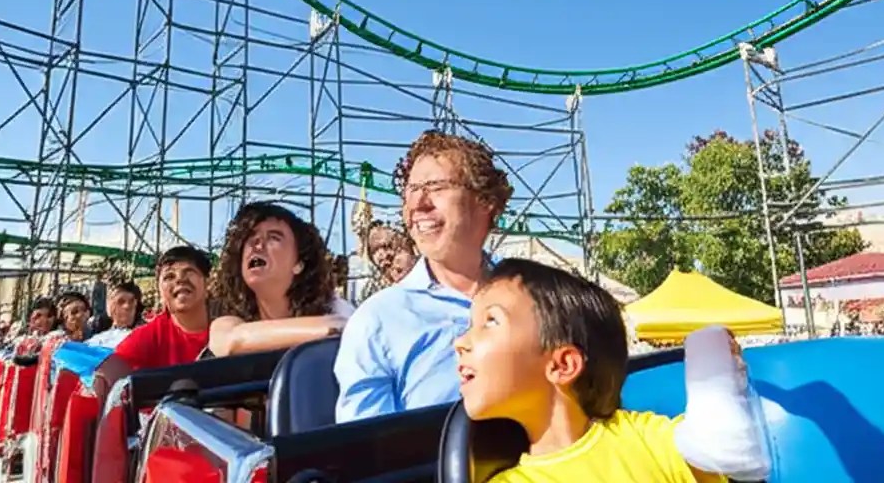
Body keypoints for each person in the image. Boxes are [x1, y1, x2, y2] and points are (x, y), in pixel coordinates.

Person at [455, 258, 770, 482]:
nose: (460, 342)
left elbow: (726, 450)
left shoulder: (644, 438)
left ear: (562, 365)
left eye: (490, 321)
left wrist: (713, 352)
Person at [334, 129, 513, 422]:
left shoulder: (533, 296)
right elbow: (371, 449)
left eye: (436, 186)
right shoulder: (378, 320)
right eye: (411, 190)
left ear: (484, 201)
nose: (418, 203)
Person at [207, 201, 355, 357]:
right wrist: (330, 330)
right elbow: (231, 341)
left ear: (299, 263)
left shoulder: (335, 308)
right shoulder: (229, 321)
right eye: (251, 237)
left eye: (274, 237)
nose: (257, 243)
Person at [92, 246, 213, 398]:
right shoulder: (152, 334)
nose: (180, 280)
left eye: (189, 272)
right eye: (169, 277)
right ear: (160, 291)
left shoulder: (227, 326)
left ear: (208, 284)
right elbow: (109, 372)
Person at [86, 281, 143, 349]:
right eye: (121, 301)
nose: (127, 306)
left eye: (131, 302)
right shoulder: (95, 325)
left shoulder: (143, 334)